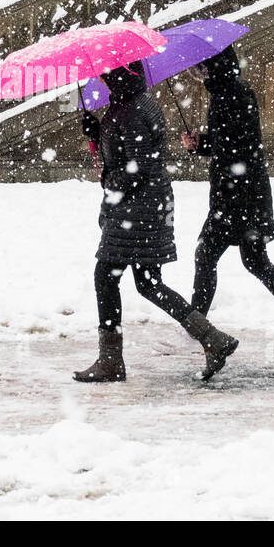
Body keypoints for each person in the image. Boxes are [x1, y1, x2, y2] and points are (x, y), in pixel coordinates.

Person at [74, 59, 240, 382]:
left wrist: (110, 176)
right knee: (149, 283)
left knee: (105, 276)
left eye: (107, 75)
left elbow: (137, 166)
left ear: (120, 75)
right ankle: (212, 338)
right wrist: (97, 131)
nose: (103, 81)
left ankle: (111, 361)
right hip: (147, 205)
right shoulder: (132, 102)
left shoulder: (130, 108)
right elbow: (131, 156)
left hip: (137, 210)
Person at [181, 47, 274, 346]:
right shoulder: (226, 91)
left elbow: (238, 144)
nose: (199, 74)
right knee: (253, 261)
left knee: (208, 255)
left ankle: (197, 327)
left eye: (202, 68)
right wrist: (201, 143)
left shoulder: (233, 93)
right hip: (241, 192)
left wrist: (206, 143)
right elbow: (231, 141)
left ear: (214, 64)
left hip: (239, 195)